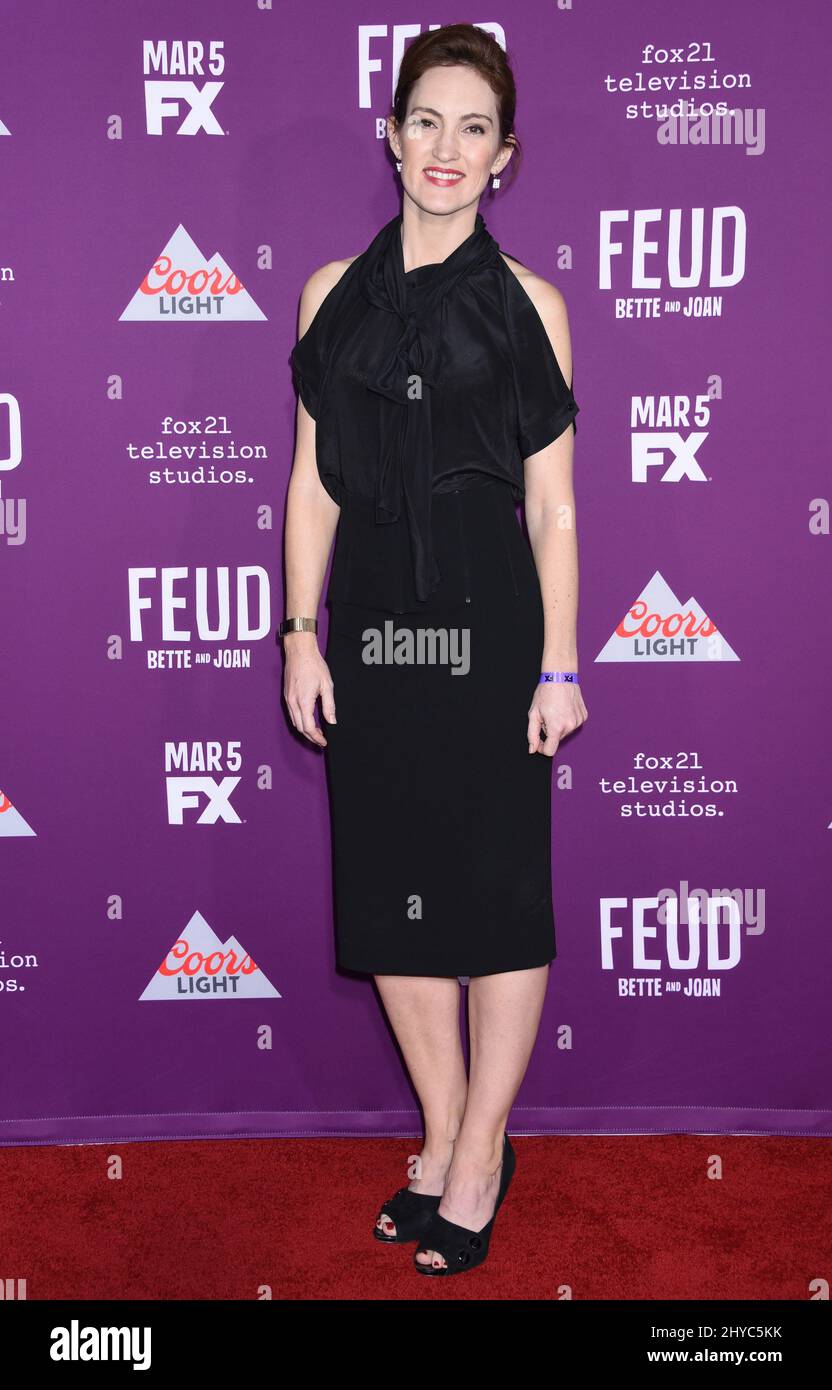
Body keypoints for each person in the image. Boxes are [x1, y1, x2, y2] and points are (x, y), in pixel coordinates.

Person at [281, 23, 588, 1277]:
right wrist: (301, 633)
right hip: (373, 622)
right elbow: (310, 486)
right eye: (426, 121)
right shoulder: (324, 297)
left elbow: (556, 505)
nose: (445, 148)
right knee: (396, 895)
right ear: (391, 136)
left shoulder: (534, 309)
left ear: (503, 156)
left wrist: (560, 661)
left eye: (473, 127)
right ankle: (450, 1129)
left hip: (491, 619)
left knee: (497, 893)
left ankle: (477, 1149)